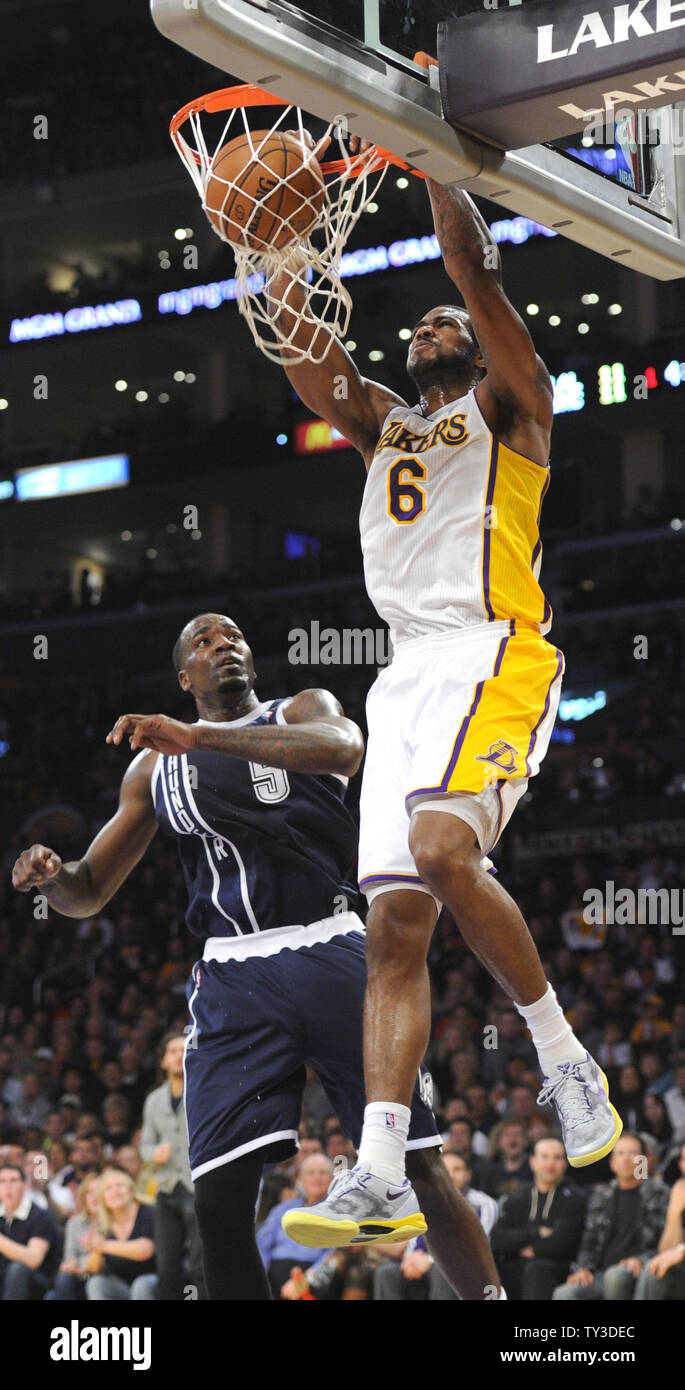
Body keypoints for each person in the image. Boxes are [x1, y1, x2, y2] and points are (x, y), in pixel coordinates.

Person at [266, 163, 621, 1243]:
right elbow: (308, 361)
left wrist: (426, 154)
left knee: (441, 854)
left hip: (494, 650)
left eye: (440, 322)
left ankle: (567, 1063)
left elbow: (468, 262)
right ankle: (375, 1170)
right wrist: (278, 250)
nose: (426, 329)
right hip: (406, 675)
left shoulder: (513, 404)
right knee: (392, 930)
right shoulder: (381, 425)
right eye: (412, 325)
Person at [12, 614, 501, 1300]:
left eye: (235, 636)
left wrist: (203, 737)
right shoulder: (153, 766)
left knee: (418, 1165)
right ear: (186, 677)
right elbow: (89, 891)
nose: (225, 645)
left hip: (330, 948)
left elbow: (344, 748)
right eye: (205, 642)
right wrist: (53, 875)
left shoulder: (299, 709)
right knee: (217, 1200)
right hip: (232, 975)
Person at [552, 1133, 670, 1301]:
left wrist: (641, 1260)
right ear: (612, 1163)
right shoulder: (602, 1195)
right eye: (620, 1154)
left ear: (644, 1160)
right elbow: (589, 1239)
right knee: (564, 1293)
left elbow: (664, 1240)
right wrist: (583, 1268)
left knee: (615, 1277)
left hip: (640, 1269)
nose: (626, 1159)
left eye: (633, 1153)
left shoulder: (658, 1192)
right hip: (601, 1272)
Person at [373, 1150, 498, 1301]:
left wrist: (430, 1261)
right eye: (445, 1170)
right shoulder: (425, 1202)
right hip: (425, 1264)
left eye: (457, 1169)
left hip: (467, 1268)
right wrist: (410, 1260)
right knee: (386, 1272)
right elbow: (414, 1242)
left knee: (441, 1271)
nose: (450, 1175)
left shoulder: (483, 1204)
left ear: (468, 1174)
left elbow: (478, 1248)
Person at [140, 1030, 205, 1300]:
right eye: (173, 1051)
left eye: (184, 1049)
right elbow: (144, 1145)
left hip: (198, 1187)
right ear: (163, 1061)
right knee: (166, 1267)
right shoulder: (153, 1099)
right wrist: (154, 1153)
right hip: (167, 1190)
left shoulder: (204, 1091)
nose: (179, 1055)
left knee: (201, 1266)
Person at [491, 1137, 586, 1300]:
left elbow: (561, 1244)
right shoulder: (517, 1196)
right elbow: (497, 1239)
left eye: (557, 1158)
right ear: (533, 1162)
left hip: (556, 1268)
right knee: (489, 1270)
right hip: (517, 1267)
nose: (550, 1163)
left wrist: (527, 1249)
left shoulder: (575, 1197)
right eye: (545, 1157)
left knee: (536, 1269)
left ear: (565, 1163)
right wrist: (537, 1232)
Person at [257, 1154, 334, 1298]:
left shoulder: (336, 1211)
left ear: (332, 1179)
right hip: (274, 1272)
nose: (316, 1177)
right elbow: (262, 1244)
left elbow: (333, 1253)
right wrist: (261, 1276)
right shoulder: (283, 1209)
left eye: (322, 1173)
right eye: (310, 1173)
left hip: (312, 1274)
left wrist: (304, 1280)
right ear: (300, 1178)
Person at [83, 1167, 157, 1300]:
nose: (115, 1191)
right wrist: (95, 1248)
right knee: (96, 1284)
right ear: (103, 1199)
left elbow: (146, 1250)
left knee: (141, 1285)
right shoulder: (104, 1223)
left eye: (120, 1186)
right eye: (108, 1189)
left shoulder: (149, 1212)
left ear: (131, 1190)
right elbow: (93, 1267)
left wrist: (102, 1245)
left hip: (153, 1281)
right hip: (122, 1286)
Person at [0, 1162, 62, 1299]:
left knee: (17, 1269)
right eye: (2, 1181)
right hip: (4, 1280)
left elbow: (34, 1259)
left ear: (25, 1186)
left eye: (13, 1181)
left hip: (37, 1282)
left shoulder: (40, 1216)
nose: (7, 1186)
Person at [635, 1141, 685, 1300]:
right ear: (682, 1165)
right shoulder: (680, 1192)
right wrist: (674, 1212)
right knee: (655, 1268)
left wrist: (681, 1250)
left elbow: (677, 1251)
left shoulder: (656, 1189)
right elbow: (666, 1250)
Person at [45, 1172, 101, 1300]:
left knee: (52, 1296)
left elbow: (107, 1262)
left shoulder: (114, 1223)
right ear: (83, 1197)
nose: (95, 1197)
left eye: (99, 1192)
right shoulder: (74, 1222)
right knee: (60, 1284)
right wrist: (75, 1266)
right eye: (89, 1193)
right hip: (77, 1279)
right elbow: (69, 1259)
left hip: (102, 1278)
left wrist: (81, 1266)